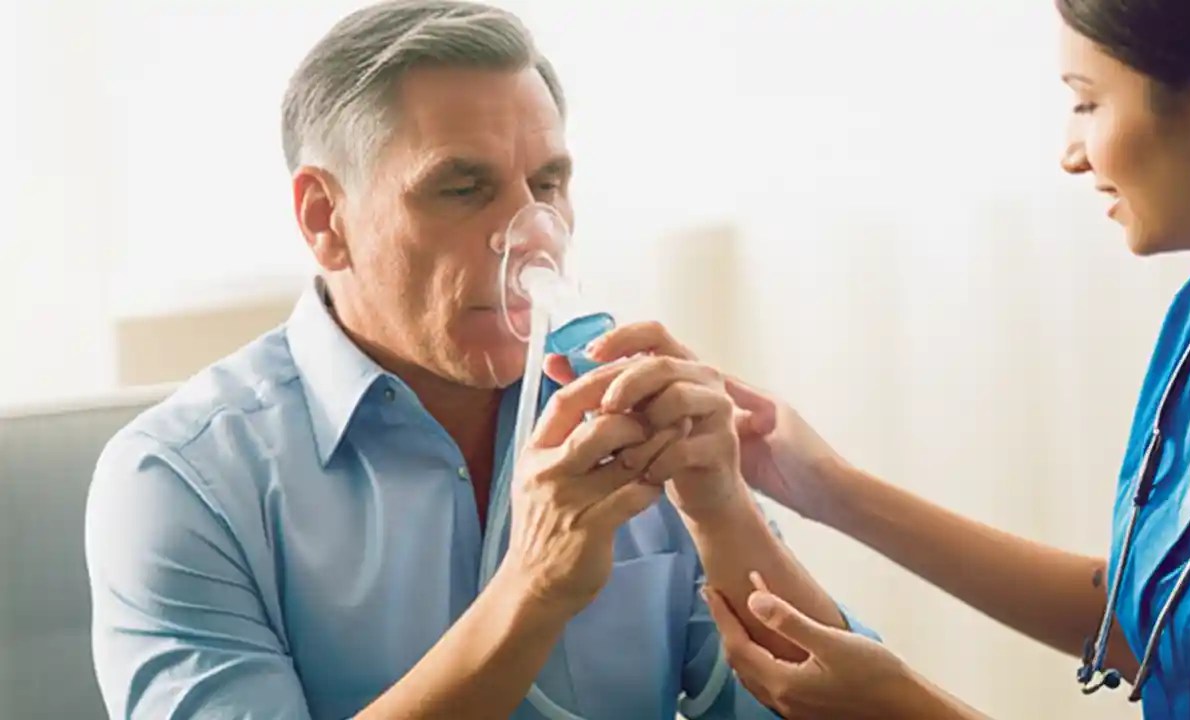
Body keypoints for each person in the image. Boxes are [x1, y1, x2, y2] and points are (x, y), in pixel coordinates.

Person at [83, 2, 879, 718]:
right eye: (462, 189)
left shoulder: (631, 416)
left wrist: (723, 512)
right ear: (326, 219)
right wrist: (533, 590)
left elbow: (846, 709)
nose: (528, 233)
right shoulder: (186, 485)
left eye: (548, 183)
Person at [567, 0, 1190, 717]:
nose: (1071, 152)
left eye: (1087, 104)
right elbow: (1161, 623)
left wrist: (902, 705)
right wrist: (829, 490)